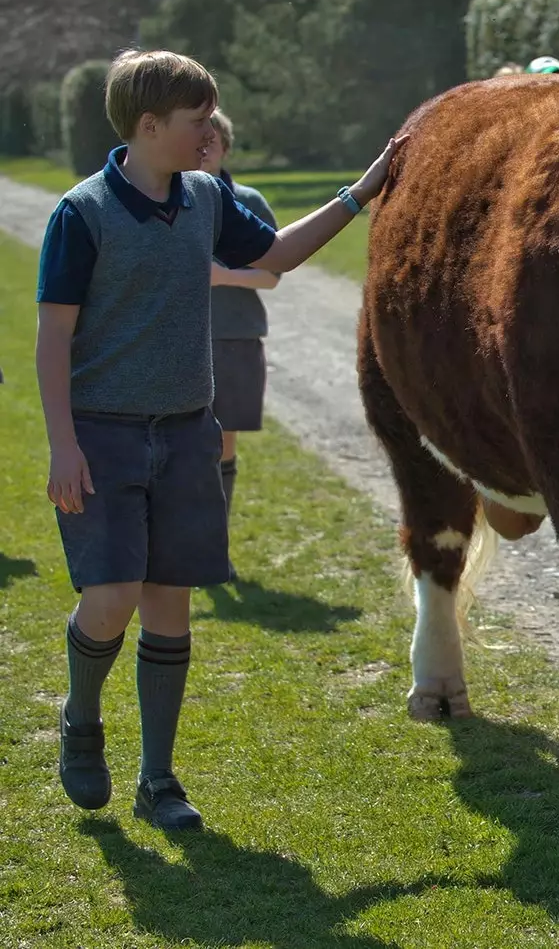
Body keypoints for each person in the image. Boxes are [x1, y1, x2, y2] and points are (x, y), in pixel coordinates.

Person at [37, 48, 404, 831]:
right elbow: (51, 338)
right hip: (102, 437)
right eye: (196, 120)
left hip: (187, 433)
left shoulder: (207, 198)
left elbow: (273, 255)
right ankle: (80, 714)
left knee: (170, 605)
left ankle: (159, 781)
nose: (210, 131)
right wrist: (62, 443)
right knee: (110, 600)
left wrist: (359, 190)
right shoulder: (84, 212)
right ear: (147, 125)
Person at [200, 109, 278, 581]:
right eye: (198, 139)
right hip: (176, 340)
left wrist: (223, 276)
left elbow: (271, 274)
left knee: (222, 444)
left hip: (233, 337)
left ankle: (216, 548)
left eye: (213, 141)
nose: (204, 148)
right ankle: (178, 548)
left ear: (226, 147)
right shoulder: (165, 199)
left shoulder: (246, 201)